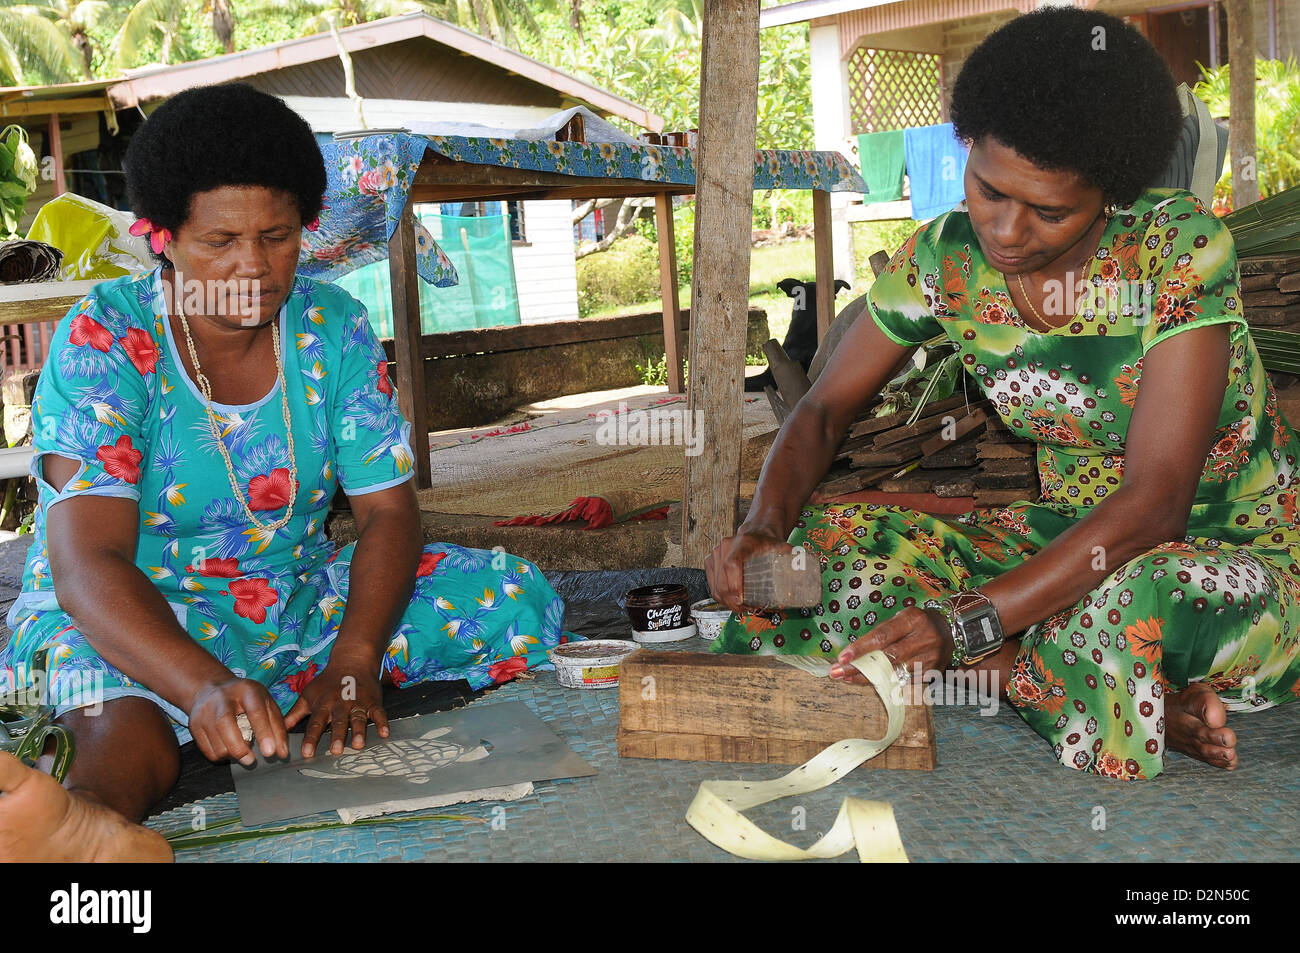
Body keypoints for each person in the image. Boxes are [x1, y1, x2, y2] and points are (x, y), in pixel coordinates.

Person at [706, 7, 1300, 781]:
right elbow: (821, 408)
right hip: (1053, 545)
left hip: (1219, 562)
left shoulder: (1175, 247)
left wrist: (962, 623)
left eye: (1049, 210)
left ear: (1110, 194)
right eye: (988, 189)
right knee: (811, 555)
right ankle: (1097, 692)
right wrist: (762, 524)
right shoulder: (944, 260)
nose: (1007, 230)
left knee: (1136, 603)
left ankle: (1057, 665)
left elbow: (1157, 505)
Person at [0, 83, 567, 860]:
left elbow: (389, 515)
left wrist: (356, 659)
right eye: (219, 241)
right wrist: (198, 684)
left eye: (276, 236)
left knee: (512, 594)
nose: (252, 268)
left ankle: (280, 695)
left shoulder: (333, 326)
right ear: (162, 236)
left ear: (306, 227)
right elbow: (84, 562)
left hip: (291, 601)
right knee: (119, 712)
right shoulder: (105, 336)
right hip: (125, 611)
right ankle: (87, 821)